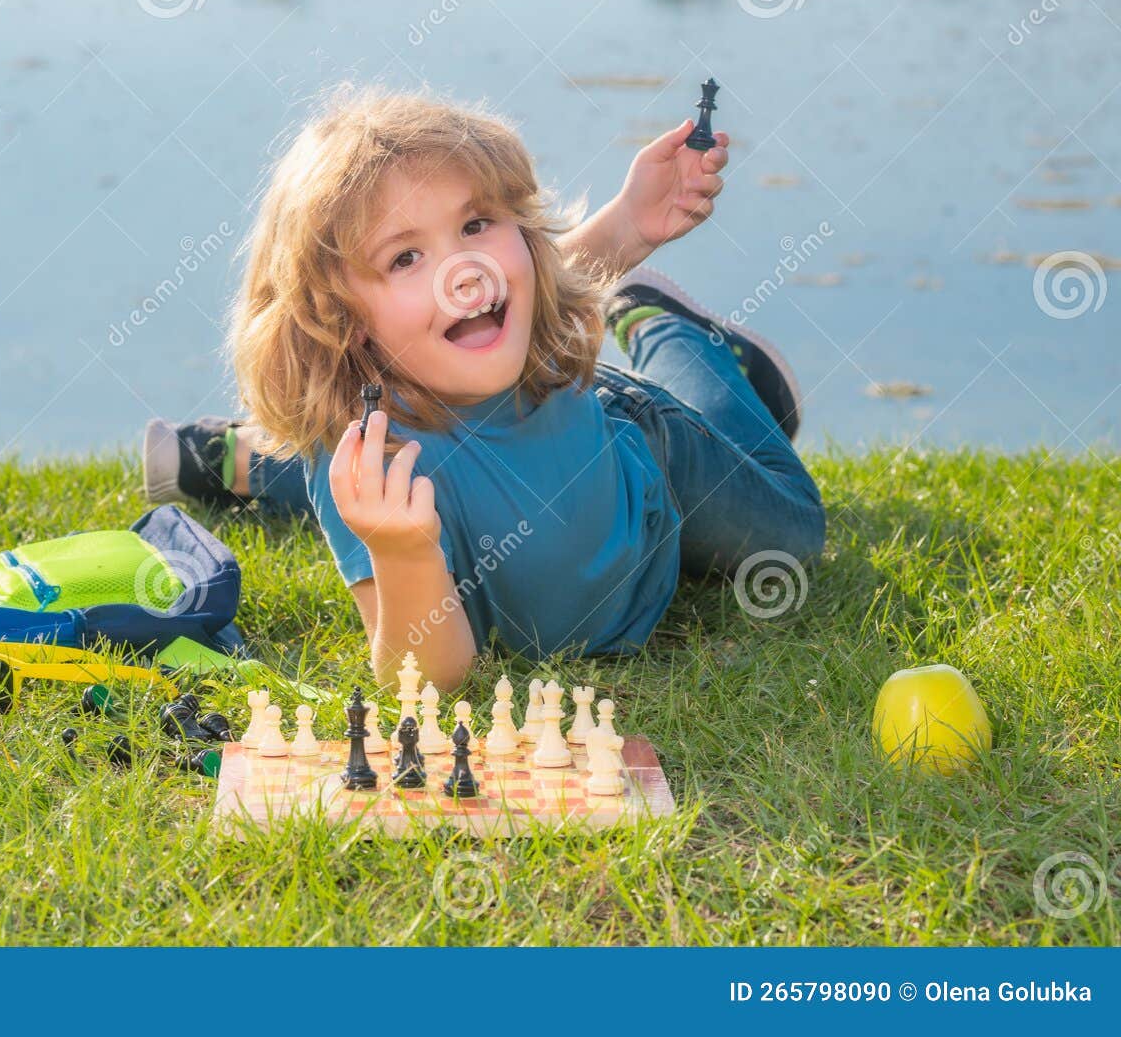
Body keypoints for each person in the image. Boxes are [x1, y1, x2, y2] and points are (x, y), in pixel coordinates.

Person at [142, 86, 824, 691]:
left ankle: (664, 329)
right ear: (342, 319)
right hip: (428, 467)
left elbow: (542, 284)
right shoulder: (365, 454)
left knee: (793, 532)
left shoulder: (512, 330)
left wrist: (627, 225)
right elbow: (427, 679)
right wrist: (403, 553)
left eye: (476, 225)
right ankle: (242, 457)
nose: (462, 272)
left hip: (650, 470)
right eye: (405, 257)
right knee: (388, 496)